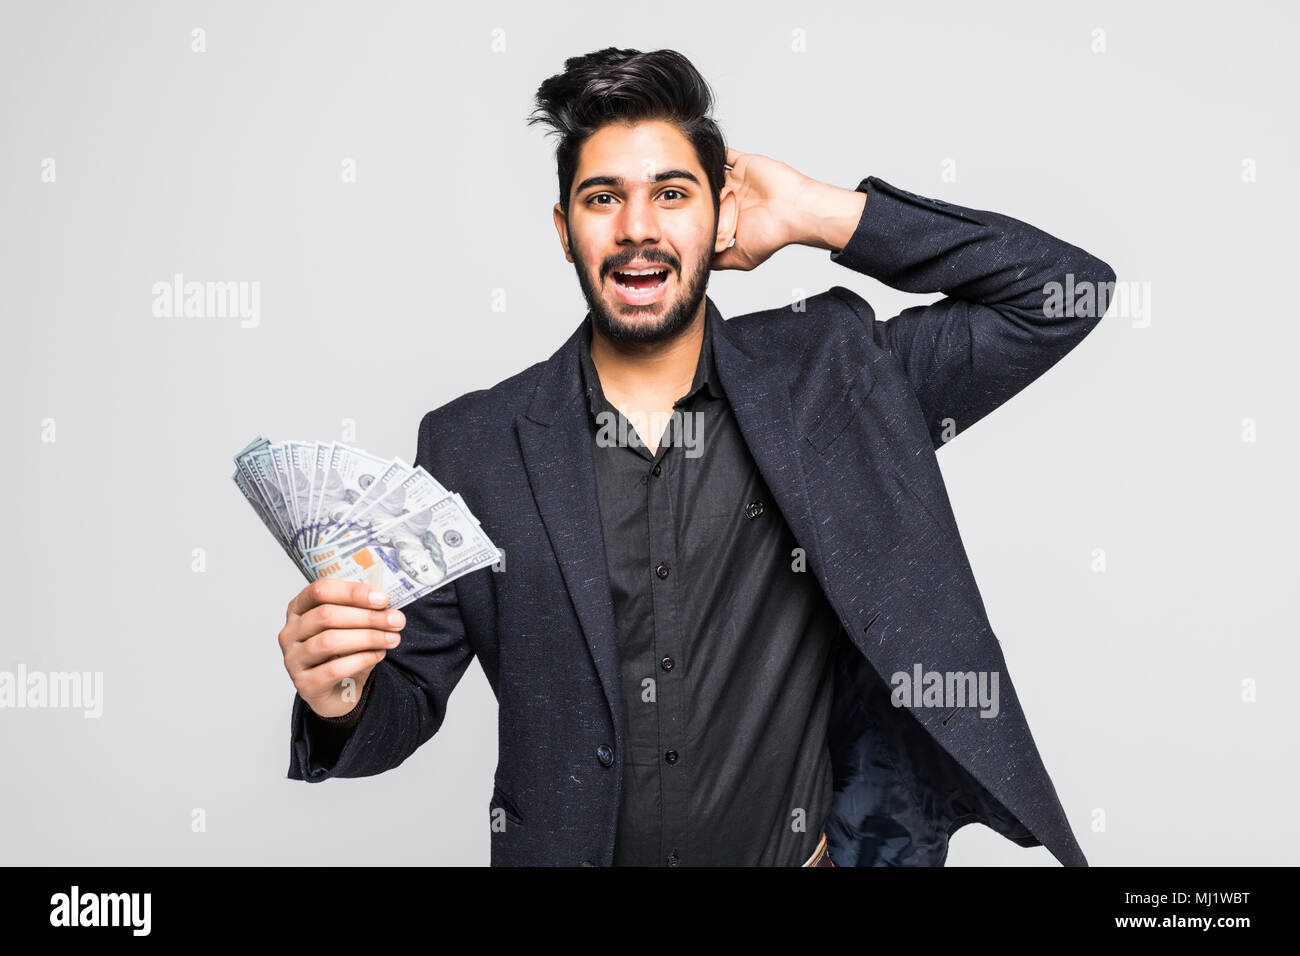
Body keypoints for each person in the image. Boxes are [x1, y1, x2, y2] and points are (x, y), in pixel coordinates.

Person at [276, 47, 1115, 867]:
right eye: (603, 198)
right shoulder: (474, 447)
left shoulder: (835, 375)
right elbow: (402, 704)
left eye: (671, 195)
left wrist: (821, 212)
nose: (638, 228)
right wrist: (339, 698)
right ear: (565, 231)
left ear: (719, 212)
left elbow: (1058, 295)